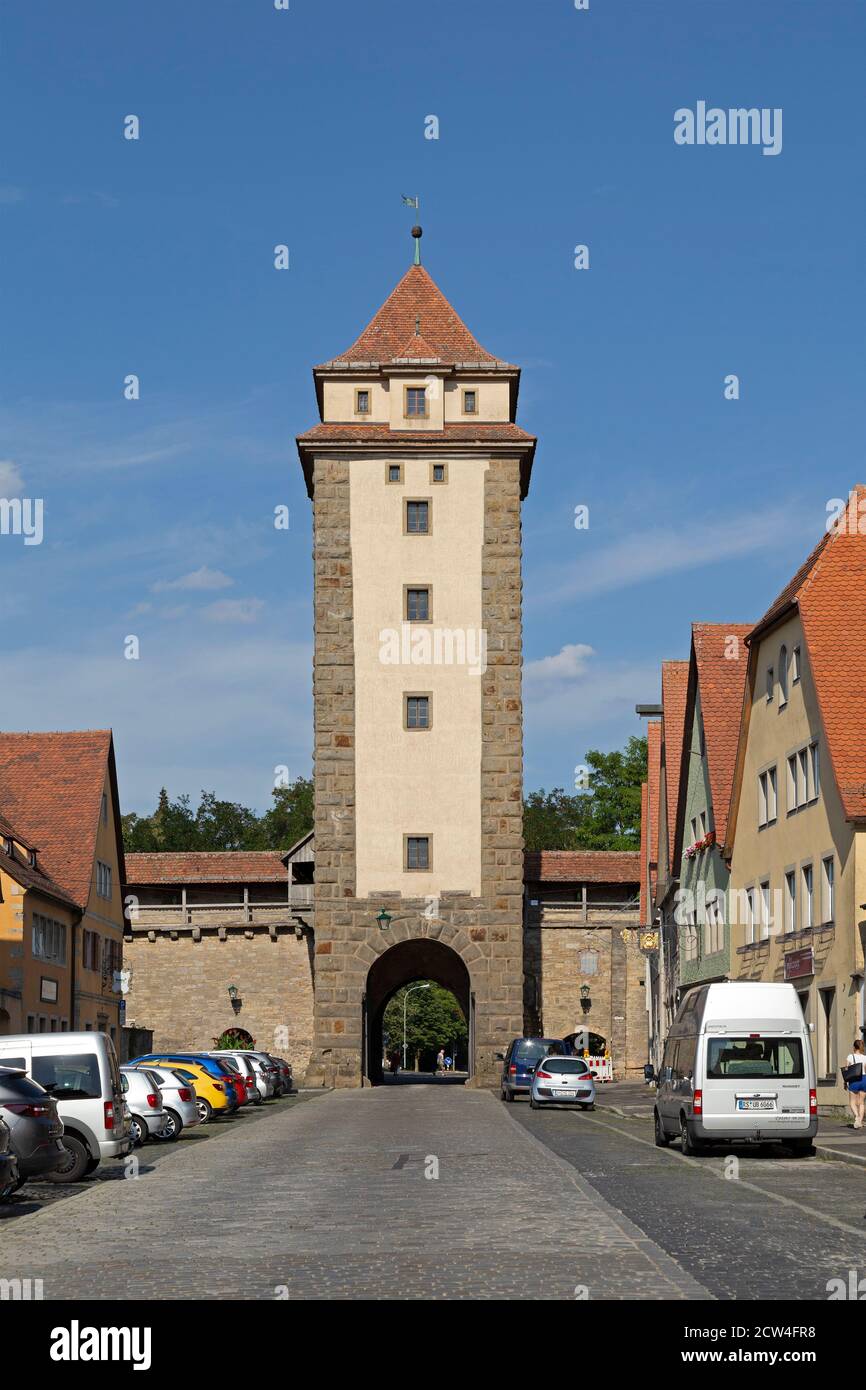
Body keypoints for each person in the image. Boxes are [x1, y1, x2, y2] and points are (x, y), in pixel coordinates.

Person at [844, 1038, 866, 1129]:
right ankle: (859, 1122)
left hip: (854, 1080)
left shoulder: (850, 1056)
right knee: (861, 1102)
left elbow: (846, 1069)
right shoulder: (865, 1057)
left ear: (854, 1047)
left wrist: (845, 1082)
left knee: (852, 1102)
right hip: (864, 1079)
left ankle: (857, 1117)